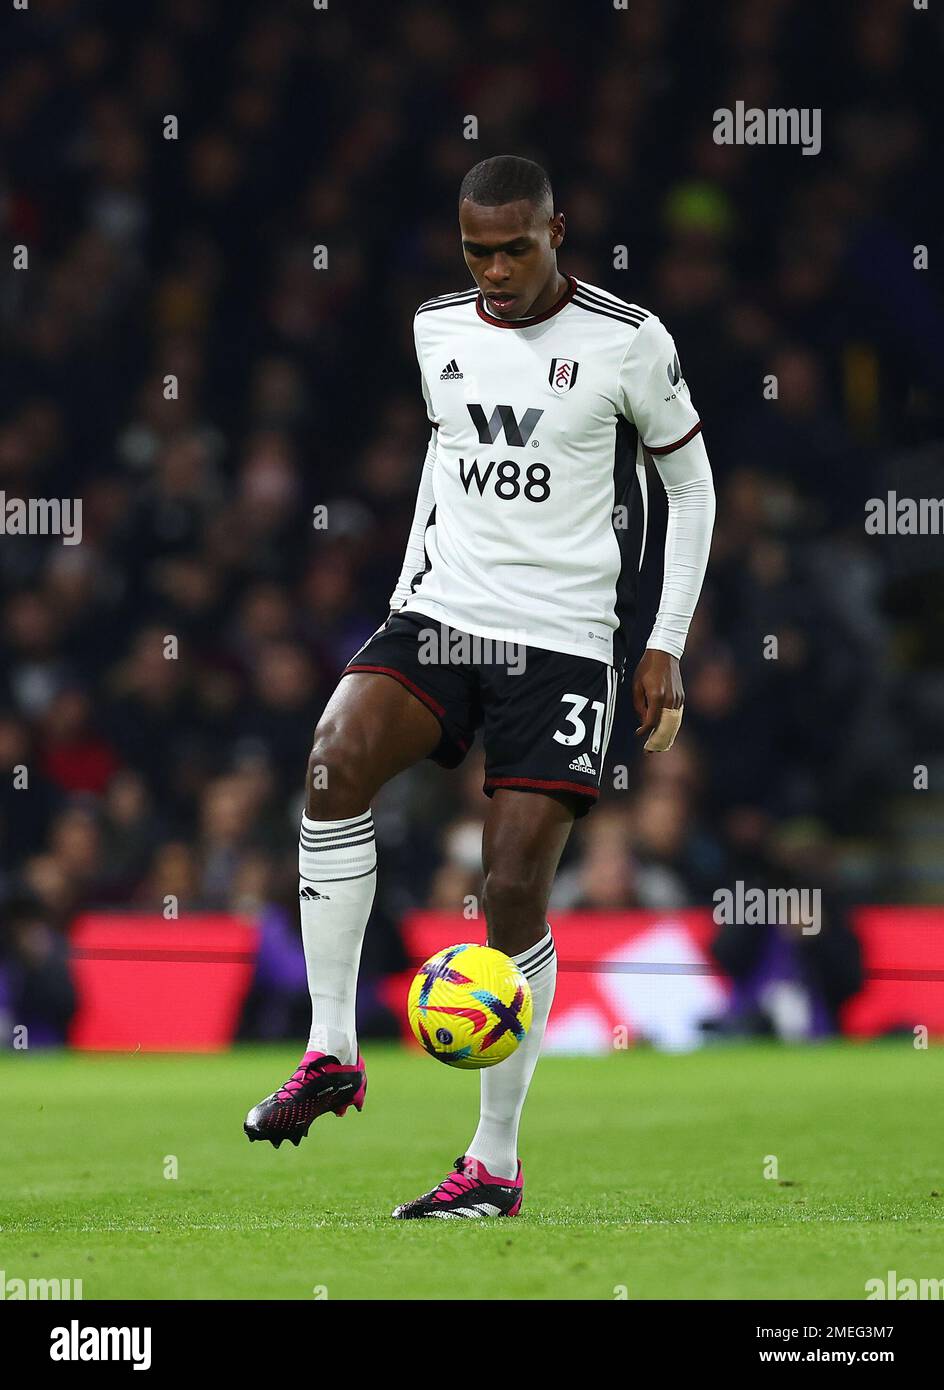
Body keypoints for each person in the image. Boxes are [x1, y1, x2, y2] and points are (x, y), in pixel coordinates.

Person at [244, 155, 716, 1218]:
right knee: (330, 765)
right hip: (440, 617)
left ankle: (492, 1164)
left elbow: (688, 486)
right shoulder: (436, 330)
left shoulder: (627, 342)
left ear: (559, 230)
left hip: (560, 641)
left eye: (515, 246)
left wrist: (662, 641)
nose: (495, 269)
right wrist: (406, 589)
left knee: (509, 895)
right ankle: (330, 1049)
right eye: (476, 251)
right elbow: (444, 460)